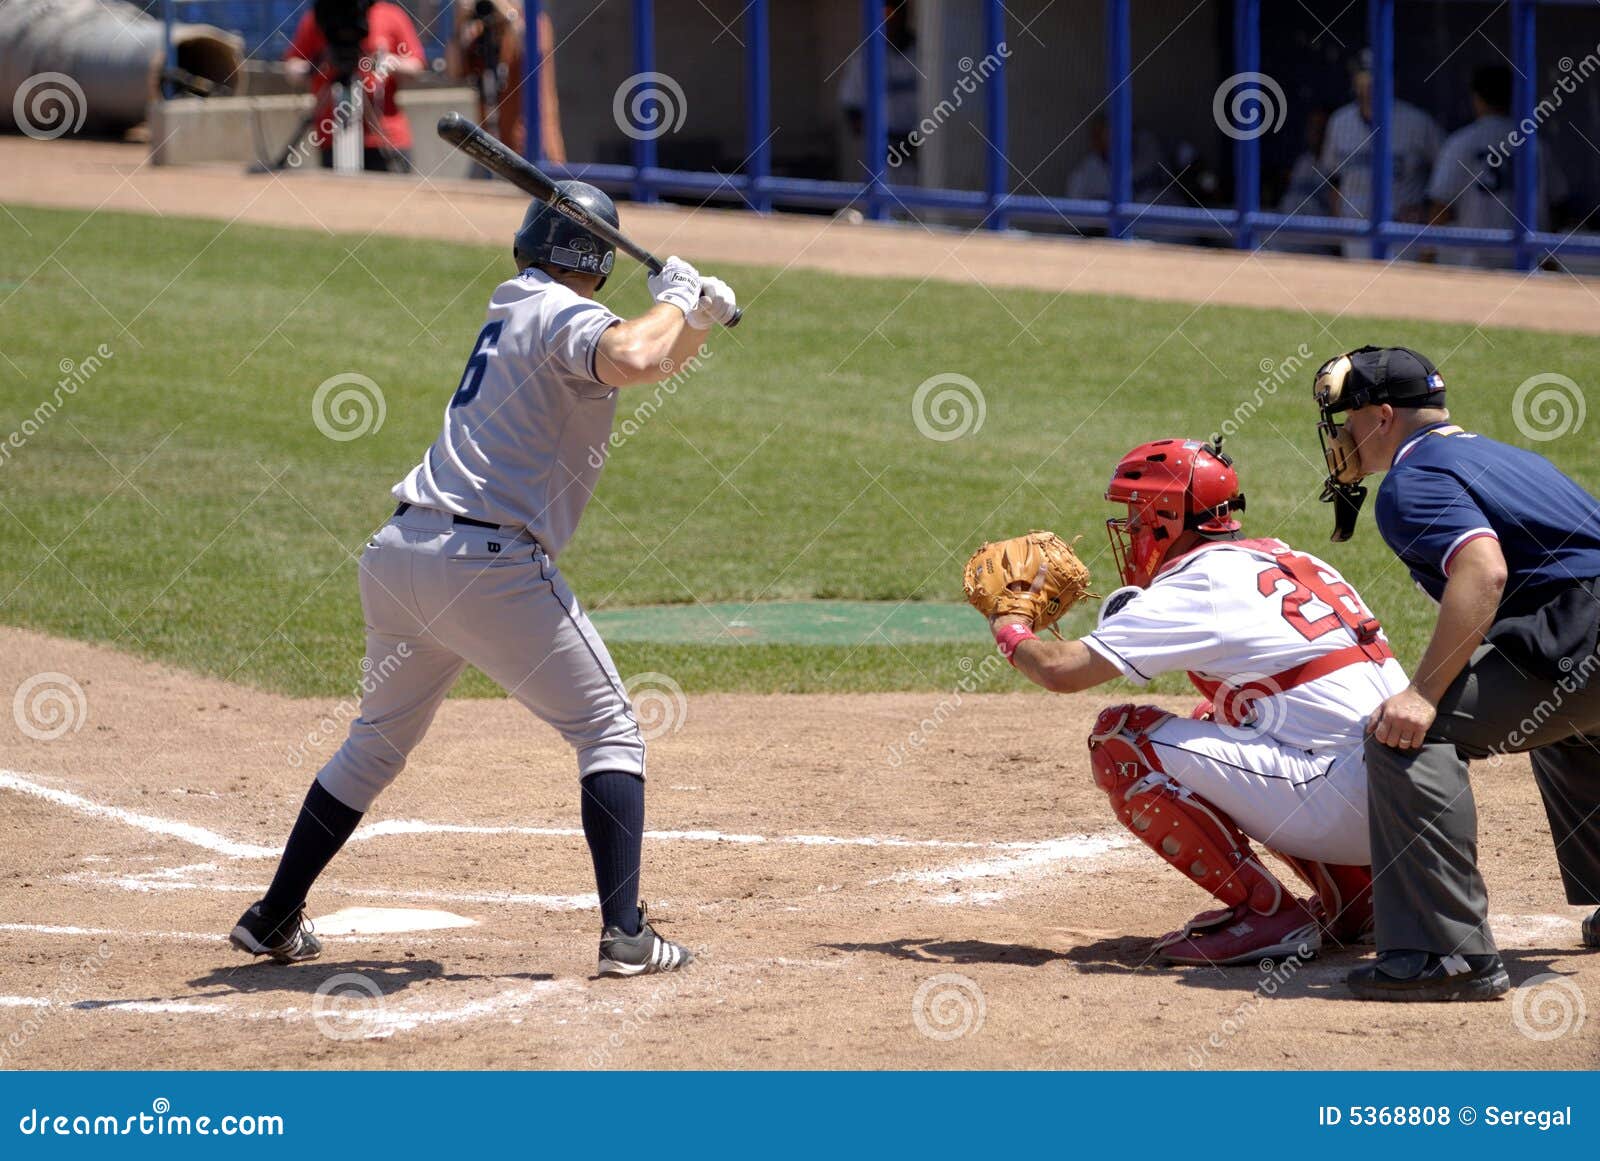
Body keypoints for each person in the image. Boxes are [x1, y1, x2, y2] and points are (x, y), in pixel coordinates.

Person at [227, 183, 739, 977]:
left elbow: (649, 360)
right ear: (599, 262)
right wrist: (672, 297)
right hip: (486, 567)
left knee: (375, 744)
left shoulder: (519, 303)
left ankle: (272, 916)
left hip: (401, 555)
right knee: (609, 729)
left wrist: (693, 320)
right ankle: (627, 934)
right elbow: (635, 352)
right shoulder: (567, 315)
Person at [975, 438, 1408, 965]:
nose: (1131, 530)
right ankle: (1357, 899)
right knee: (1222, 716)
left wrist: (1010, 625)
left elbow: (1061, 671)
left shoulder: (1199, 581)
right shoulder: (1289, 558)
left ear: (1166, 516)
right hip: (1411, 804)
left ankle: (1266, 915)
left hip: (1344, 801)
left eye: (1137, 515)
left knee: (1122, 741)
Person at [1309, 345, 1600, 1001]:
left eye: (1346, 418)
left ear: (1383, 416)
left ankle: (1444, 953)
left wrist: (1420, 693)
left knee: (1407, 733)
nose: (1339, 434)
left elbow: (1483, 569)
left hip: (1583, 636)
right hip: (1584, 641)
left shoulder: (1412, 480)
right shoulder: (1503, 455)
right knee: (1566, 722)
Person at [1428, 65, 1568, 268]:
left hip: (1475, 263)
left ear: (1476, 98)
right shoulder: (1535, 144)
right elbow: (1558, 206)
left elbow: (1441, 208)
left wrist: (1426, 258)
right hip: (1526, 262)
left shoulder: (1461, 142)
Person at [1321, 49, 1442, 259]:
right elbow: (1334, 180)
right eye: (1364, 75)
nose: (1370, 83)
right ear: (1354, 80)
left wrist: (1426, 214)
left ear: (1392, 80)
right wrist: (1339, 227)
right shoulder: (1339, 122)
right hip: (1355, 231)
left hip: (1402, 232)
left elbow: (1446, 178)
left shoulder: (1418, 122)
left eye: (1377, 75)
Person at [285, 0, 426, 173]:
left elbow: (416, 65)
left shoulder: (391, 14)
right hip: (331, 135)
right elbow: (292, 66)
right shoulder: (322, 15)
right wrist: (315, 65)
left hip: (386, 138)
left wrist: (390, 62)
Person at [446, 0, 567, 162]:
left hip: (534, 148)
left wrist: (507, 14)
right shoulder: (482, 32)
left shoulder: (535, 22)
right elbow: (453, 72)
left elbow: (528, 49)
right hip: (491, 149)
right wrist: (459, 24)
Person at [839, 2, 920, 177]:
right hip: (885, 156)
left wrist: (915, 142)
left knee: (929, 203)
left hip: (924, 154)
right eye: (883, 14)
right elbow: (853, 113)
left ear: (905, 14)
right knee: (884, 201)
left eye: (892, 13)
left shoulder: (926, 54)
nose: (888, 20)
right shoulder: (865, 58)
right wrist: (881, 140)